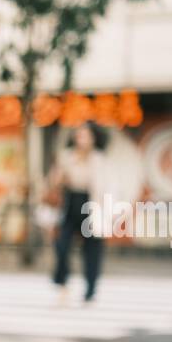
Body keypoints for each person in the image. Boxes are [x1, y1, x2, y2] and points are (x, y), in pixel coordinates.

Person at [49, 121, 110, 302]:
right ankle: (62, 281)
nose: (80, 138)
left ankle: (90, 288)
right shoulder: (66, 156)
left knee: (92, 249)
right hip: (70, 203)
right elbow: (53, 182)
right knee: (61, 244)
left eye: (84, 135)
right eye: (78, 134)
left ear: (93, 138)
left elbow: (105, 187)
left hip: (92, 205)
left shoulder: (100, 159)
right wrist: (60, 176)